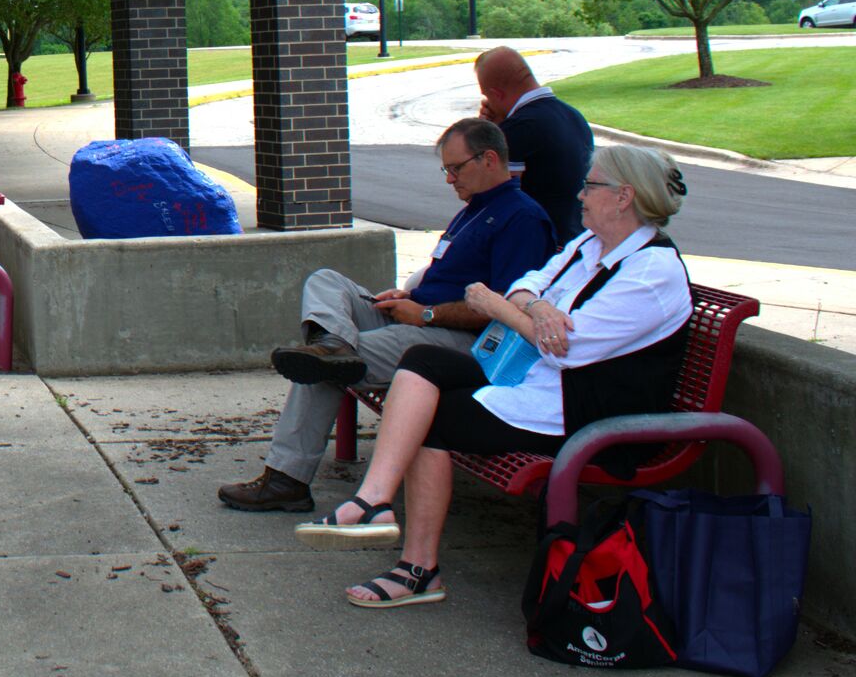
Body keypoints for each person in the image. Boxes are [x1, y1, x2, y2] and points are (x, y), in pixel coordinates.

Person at [294, 145, 692, 609]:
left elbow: (569, 350)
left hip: (591, 414)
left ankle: (417, 570)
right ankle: (375, 499)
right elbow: (529, 282)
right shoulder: (590, 245)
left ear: (623, 197)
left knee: (433, 418)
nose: (580, 194)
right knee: (423, 361)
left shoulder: (652, 273)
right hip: (537, 385)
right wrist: (537, 307)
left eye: (591, 185)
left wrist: (497, 306)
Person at [218, 118, 554, 513]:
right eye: (446, 170)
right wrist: (410, 295)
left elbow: (501, 312)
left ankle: (287, 479)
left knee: (322, 366)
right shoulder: (474, 210)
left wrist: (425, 313)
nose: (449, 179)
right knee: (327, 282)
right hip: (418, 315)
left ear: (490, 159)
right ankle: (334, 344)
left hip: (459, 343)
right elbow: (450, 277)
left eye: (456, 168)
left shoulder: (521, 218)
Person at [476, 45, 593, 248]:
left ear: (496, 94)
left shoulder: (519, 128)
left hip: (539, 246)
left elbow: (494, 198)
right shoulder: (574, 116)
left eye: (487, 95)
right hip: (576, 238)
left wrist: (489, 135)